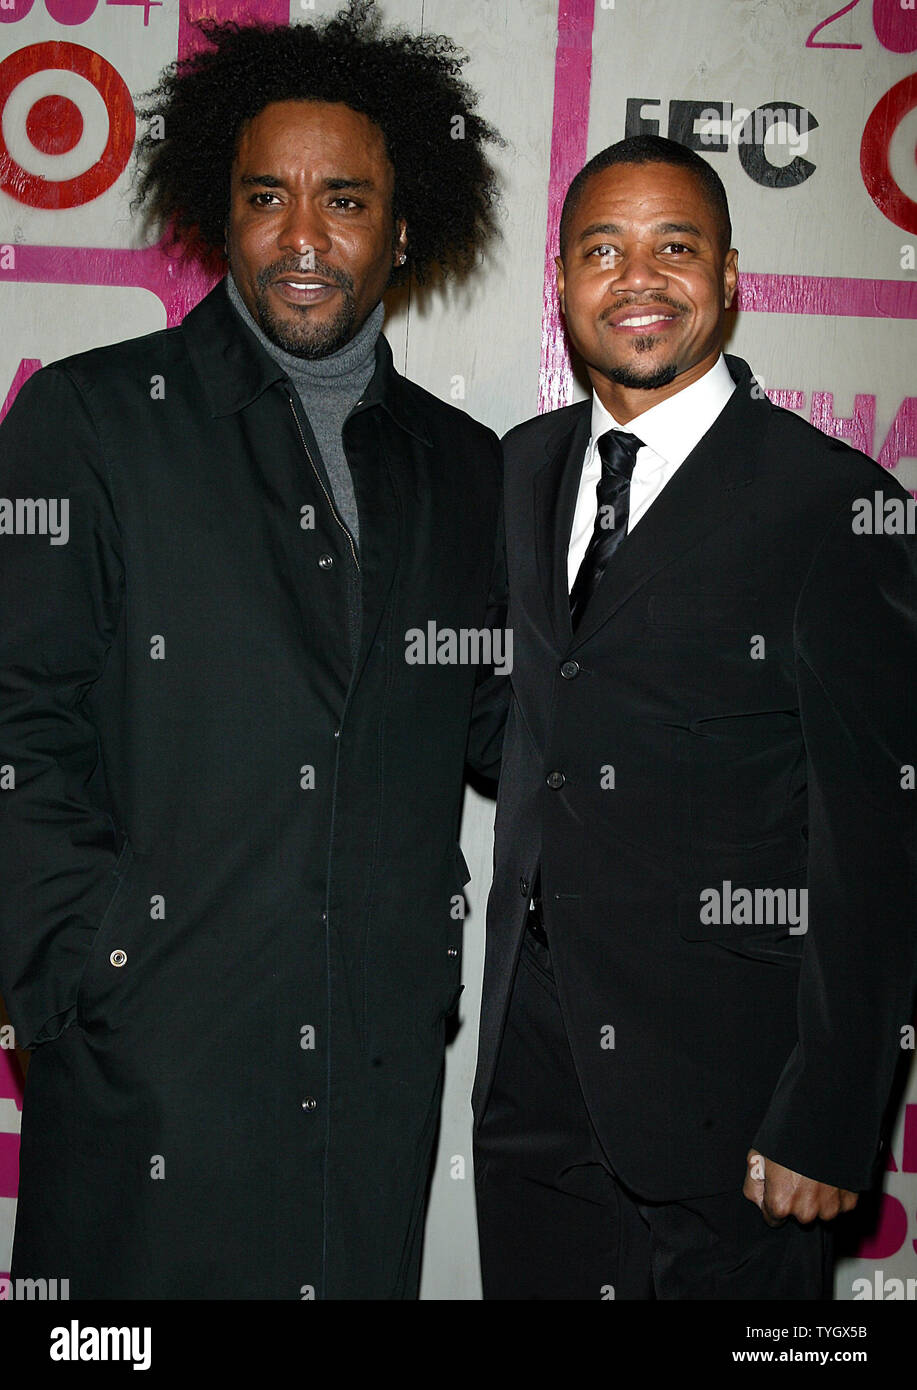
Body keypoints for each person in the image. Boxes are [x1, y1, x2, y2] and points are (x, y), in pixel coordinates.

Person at [0, 3, 507, 1299]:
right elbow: (14, 715)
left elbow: (513, 725)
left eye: (343, 199)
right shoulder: (97, 418)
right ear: (218, 215)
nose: (301, 236)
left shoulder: (463, 466)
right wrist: (91, 965)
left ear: (401, 228)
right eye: (265, 195)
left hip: (372, 1070)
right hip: (149, 1063)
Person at [472, 134, 917, 1300]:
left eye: (674, 247)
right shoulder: (520, 471)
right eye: (601, 250)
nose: (636, 277)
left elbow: (877, 840)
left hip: (734, 1117)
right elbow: (533, 719)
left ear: (728, 277)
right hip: (533, 1092)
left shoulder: (834, 506)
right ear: (560, 284)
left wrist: (829, 1112)